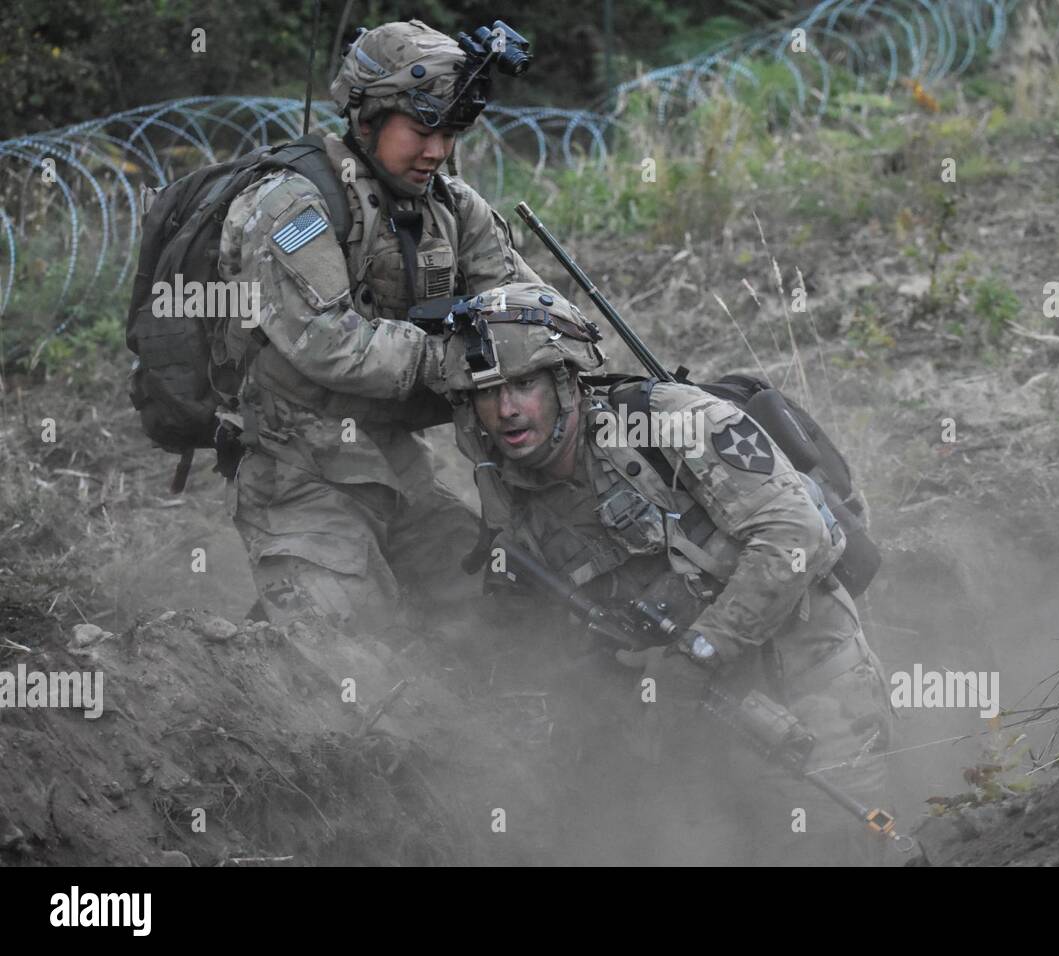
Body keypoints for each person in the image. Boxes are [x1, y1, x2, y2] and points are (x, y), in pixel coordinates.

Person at [430, 281, 896, 865]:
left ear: (565, 382)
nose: (507, 410)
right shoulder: (513, 501)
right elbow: (541, 647)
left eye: (524, 384)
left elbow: (794, 536)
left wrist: (696, 653)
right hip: (701, 737)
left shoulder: (668, 422)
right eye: (488, 393)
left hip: (812, 690)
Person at [215, 20, 540, 638]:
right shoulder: (289, 204)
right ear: (367, 119)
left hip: (395, 465)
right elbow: (325, 341)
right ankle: (259, 649)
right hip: (299, 471)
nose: (437, 151)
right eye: (421, 131)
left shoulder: (453, 208)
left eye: (449, 133)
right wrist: (451, 356)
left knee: (500, 612)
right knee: (349, 650)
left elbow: (525, 308)